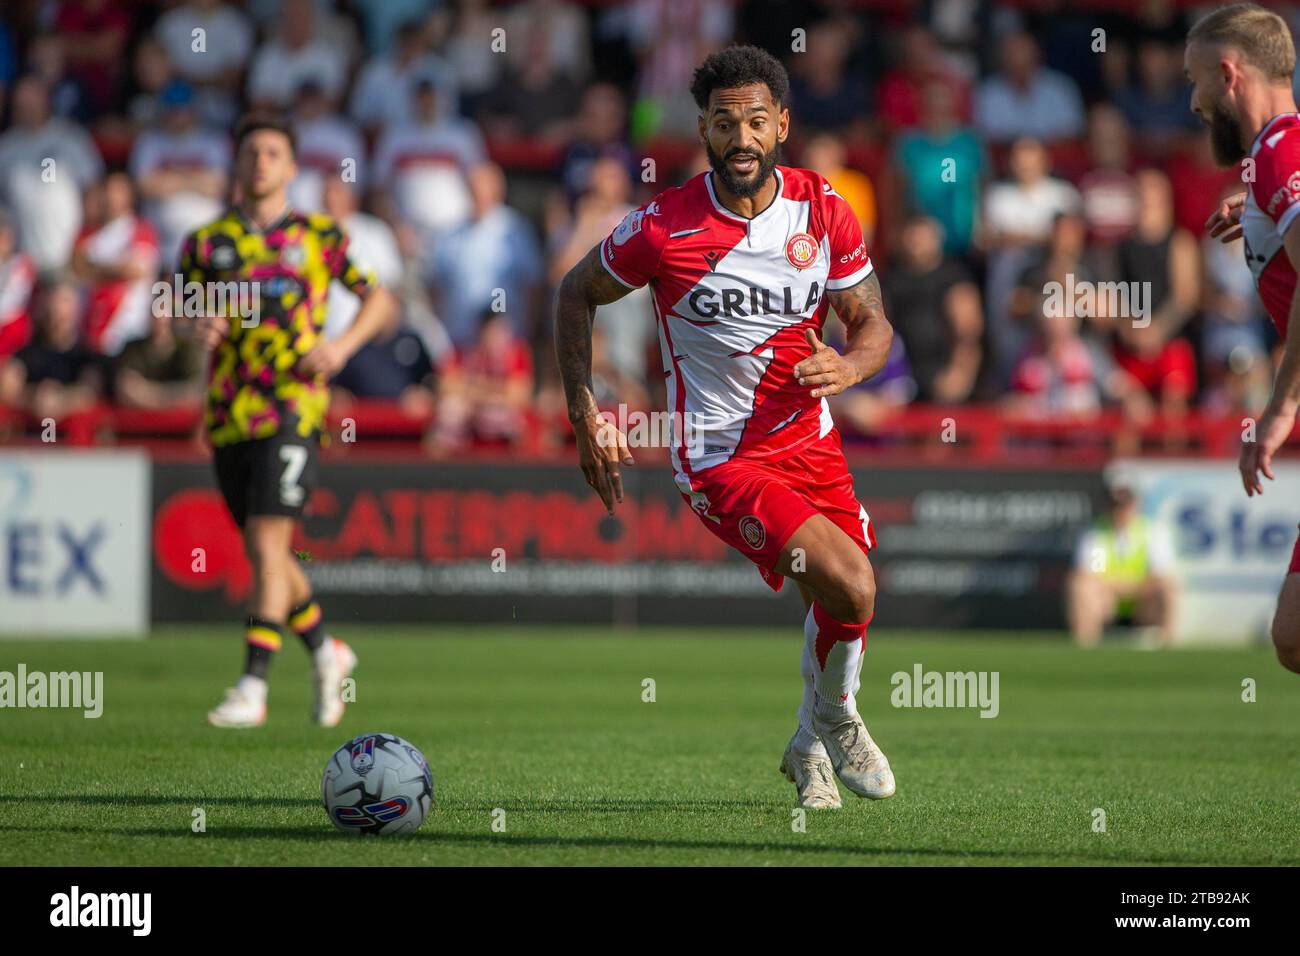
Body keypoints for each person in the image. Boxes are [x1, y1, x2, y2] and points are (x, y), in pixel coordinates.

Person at [553, 46, 897, 810]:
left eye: (754, 121)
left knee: (846, 603)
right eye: (722, 123)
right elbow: (574, 294)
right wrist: (585, 414)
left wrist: (850, 366)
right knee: (851, 585)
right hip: (719, 457)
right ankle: (837, 720)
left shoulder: (822, 208)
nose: (740, 138)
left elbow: (872, 322)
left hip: (813, 441)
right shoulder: (664, 227)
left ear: (781, 125)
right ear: (703, 131)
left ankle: (807, 744)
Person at [181, 113, 396, 727]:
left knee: (268, 544)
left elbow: (380, 297)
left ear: (292, 167)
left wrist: (344, 346)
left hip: (294, 406)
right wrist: (197, 324)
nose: (260, 161)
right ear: (237, 162)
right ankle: (327, 650)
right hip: (229, 411)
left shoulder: (319, 237)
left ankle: (252, 685)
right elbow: (177, 313)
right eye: (251, 150)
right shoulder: (205, 242)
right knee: (265, 552)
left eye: (273, 152)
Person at [1188, 3, 1300, 673]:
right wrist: (1259, 200)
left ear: (1229, 74)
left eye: (1193, 79)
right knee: (1292, 636)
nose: (1193, 101)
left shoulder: (1283, 149)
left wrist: (1281, 406)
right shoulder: (1274, 158)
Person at [1067, 485, 1177, 647]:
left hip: (1143, 599)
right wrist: (1121, 586)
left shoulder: (1151, 531)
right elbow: (1093, 573)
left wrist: (1127, 586)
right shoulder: (1099, 533)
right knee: (1080, 585)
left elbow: (1159, 575)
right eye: (1117, 507)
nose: (1121, 512)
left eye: (1126, 506)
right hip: (1108, 599)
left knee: (1169, 586)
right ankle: (1087, 643)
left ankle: (1167, 643)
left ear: (1135, 506)